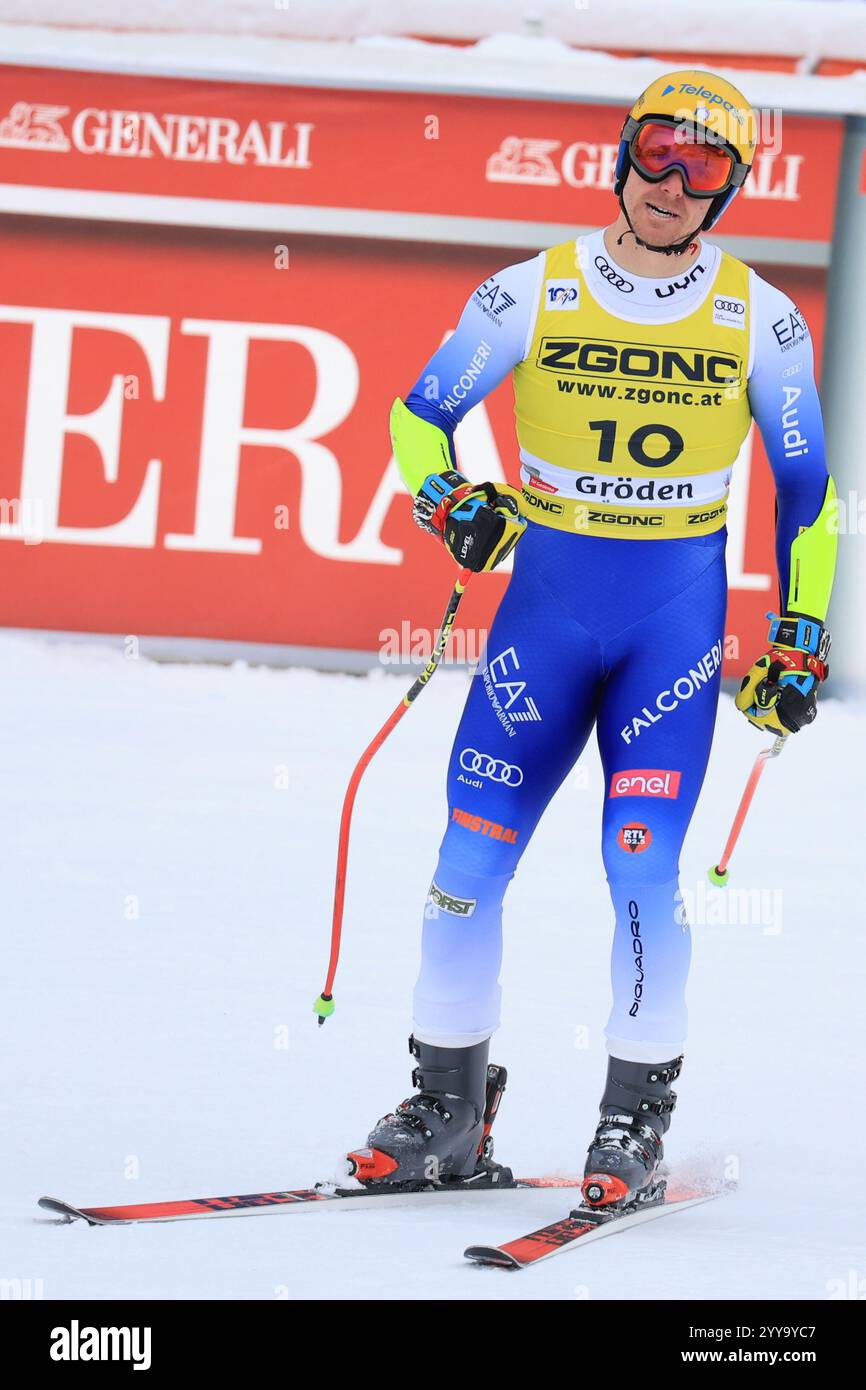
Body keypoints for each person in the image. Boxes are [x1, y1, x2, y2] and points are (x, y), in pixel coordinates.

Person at [342, 71, 837, 1209]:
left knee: (638, 869)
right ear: (620, 153)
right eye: (656, 150)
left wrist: (800, 628)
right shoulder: (532, 289)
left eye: (702, 165)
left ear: (729, 189)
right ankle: (445, 1110)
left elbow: (810, 493)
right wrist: (450, 500)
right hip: (545, 621)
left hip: (669, 629)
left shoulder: (761, 319)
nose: (670, 181)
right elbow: (417, 416)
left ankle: (631, 1121)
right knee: (465, 860)